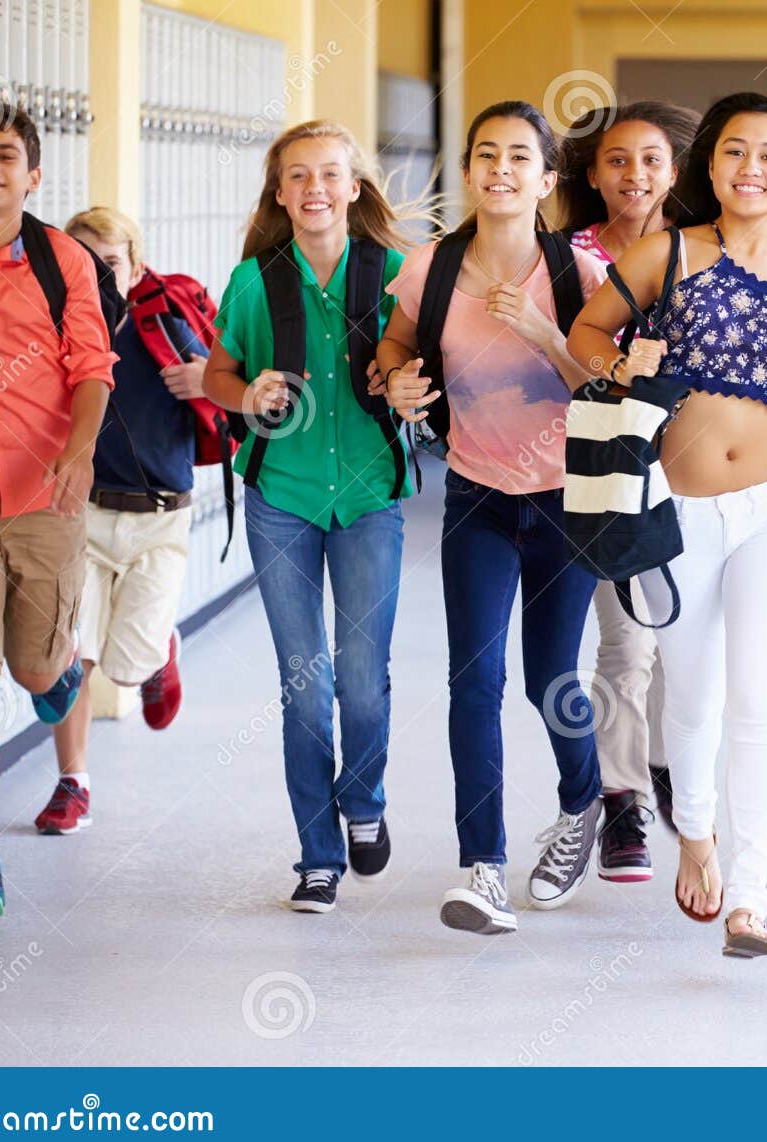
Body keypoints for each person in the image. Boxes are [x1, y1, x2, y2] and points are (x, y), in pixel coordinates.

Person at [568, 91, 767, 957]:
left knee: (760, 702)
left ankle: (752, 891)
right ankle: (694, 835)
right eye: (735, 152)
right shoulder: (669, 252)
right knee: (693, 693)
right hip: (680, 503)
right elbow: (588, 331)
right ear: (711, 167)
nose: (751, 169)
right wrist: (623, 361)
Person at [380, 101, 608, 936]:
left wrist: (546, 331)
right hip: (475, 494)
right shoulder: (431, 266)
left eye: (521, 156)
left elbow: (603, 385)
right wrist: (395, 379)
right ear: (470, 171)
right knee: (473, 680)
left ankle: (583, 802)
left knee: (554, 680)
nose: (501, 168)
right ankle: (484, 865)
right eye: (486, 154)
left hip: (565, 497)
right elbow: (396, 346)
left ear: (548, 180)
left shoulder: (580, 272)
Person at [202, 120, 414, 914]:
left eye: (331, 174)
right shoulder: (255, 281)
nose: (315, 188)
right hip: (281, 498)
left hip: (368, 498)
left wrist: (410, 390)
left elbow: (430, 373)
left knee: (361, 679)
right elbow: (217, 374)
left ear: (354, 187)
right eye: (298, 176)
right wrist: (246, 392)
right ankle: (317, 853)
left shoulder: (395, 274)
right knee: (304, 681)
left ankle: (364, 802)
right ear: (280, 192)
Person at [0, 103, 115, 922]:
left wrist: (77, 452)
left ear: (33, 173)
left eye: (6, 154)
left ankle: (60, 676)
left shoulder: (62, 259)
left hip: (46, 496)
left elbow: (92, 367)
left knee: (36, 668)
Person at [557, 100, 700, 879]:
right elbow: (560, 356)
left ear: (673, 172)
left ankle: (669, 767)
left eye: (649, 160)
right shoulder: (568, 258)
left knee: (679, 640)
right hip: (604, 466)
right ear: (593, 174)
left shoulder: (697, 250)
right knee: (626, 640)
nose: (633, 175)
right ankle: (622, 802)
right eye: (616, 161)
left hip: (687, 463)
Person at [36, 207, 208, 837]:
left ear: (135, 267)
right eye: (80, 261)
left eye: (108, 262)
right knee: (68, 654)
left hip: (160, 520)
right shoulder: (55, 331)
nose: (96, 274)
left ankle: (158, 649)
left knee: (127, 672)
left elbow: (228, 384)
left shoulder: (162, 323)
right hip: (83, 513)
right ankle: (72, 782)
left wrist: (204, 381)